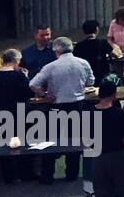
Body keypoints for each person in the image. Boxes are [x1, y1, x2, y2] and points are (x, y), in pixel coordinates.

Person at [28, 37, 94, 182]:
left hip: (56, 107)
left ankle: (47, 176)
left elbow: (33, 84)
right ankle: (71, 175)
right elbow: (91, 81)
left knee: (51, 142)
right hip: (77, 106)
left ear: (56, 50)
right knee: (74, 142)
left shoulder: (50, 66)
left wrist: (45, 95)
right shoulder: (83, 63)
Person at [0, 50, 33, 184]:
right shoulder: (19, 77)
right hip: (18, 113)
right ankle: (25, 173)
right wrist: (26, 77)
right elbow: (28, 93)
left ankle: (8, 176)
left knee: (3, 145)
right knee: (21, 144)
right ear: (15, 61)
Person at [73, 20, 120, 85]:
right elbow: (116, 55)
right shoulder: (102, 43)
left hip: (85, 76)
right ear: (97, 29)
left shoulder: (78, 46)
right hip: (102, 75)